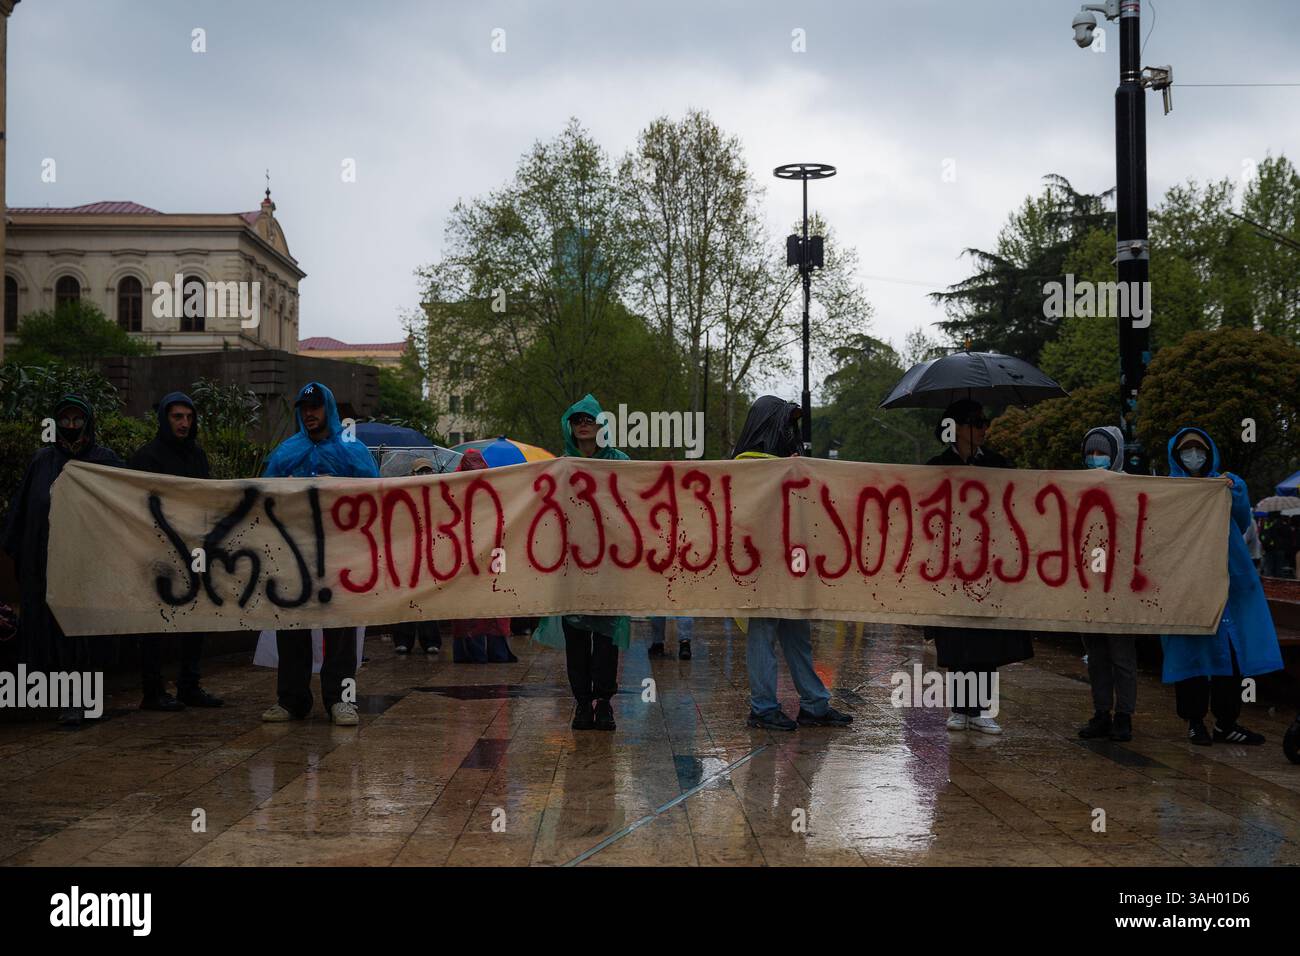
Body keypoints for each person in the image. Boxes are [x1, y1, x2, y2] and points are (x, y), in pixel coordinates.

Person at [260, 382, 379, 726]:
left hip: (340, 554)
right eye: (304, 408)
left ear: (328, 408)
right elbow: (265, 497)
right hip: (294, 555)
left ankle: (341, 701)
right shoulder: (285, 453)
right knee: (292, 625)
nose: (309, 414)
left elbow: (373, 495)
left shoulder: (352, 450)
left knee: (340, 630)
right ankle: (291, 700)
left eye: (315, 407)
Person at [731, 395, 853, 732]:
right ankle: (763, 707)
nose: (791, 430)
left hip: (791, 564)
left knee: (798, 635)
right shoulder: (746, 465)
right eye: (787, 423)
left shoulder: (789, 463)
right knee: (763, 634)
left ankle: (814, 704)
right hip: (761, 567)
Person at [1, 395, 122, 725]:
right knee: (47, 629)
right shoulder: (42, 460)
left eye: (77, 420)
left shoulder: (103, 460)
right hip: (44, 565)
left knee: (81, 633)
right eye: (65, 420)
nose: (71, 427)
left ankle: (81, 701)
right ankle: (49, 696)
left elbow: (124, 507)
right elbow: (23, 511)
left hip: (87, 566)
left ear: (88, 422)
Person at [1160, 427, 1282, 746]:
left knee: (1232, 653)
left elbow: (1241, 521)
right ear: (1176, 455)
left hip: (1228, 583)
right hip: (1187, 587)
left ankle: (1227, 722)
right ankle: (1195, 721)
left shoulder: (1227, 485)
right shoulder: (1169, 490)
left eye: (1200, 449)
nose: (1194, 456)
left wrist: (1235, 492)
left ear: (1210, 452)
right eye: (1186, 450)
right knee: (1191, 654)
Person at [925, 398, 1032, 735]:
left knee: (986, 638)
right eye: (977, 423)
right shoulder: (936, 467)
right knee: (957, 639)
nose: (984, 429)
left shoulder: (999, 465)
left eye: (985, 422)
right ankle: (959, 708)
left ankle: (981, 707)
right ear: (955, 428)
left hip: (989, 566)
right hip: (950, 567)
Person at [533, 394, 630, 731]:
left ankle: (604, 702)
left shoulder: (620, 463)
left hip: (610, 567)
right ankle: (582, 703)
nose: (584, 424)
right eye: (578, 420)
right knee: (576, 638)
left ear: (601, 423)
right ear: (570, 427)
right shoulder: (561, 468)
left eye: (590, 419)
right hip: (572, 567)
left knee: (606, 637)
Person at [127, 391, 224, 711]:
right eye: (177, 417)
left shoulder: (197, 455)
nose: (184, 423)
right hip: (158, 552)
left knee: (196, 619)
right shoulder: (147, 457)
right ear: (164, 419)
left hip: (194, 549)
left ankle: (189, 685)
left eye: (188, 417)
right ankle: (152, 690)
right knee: (155, 623)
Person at [1074, 426, 1137, 743]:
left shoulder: (1129, 488)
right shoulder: (1078, 489)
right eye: (1091, 453)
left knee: (1121, 655)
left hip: (1120, 586)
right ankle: (1102, 712)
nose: (1095, 458)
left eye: (1101, 453)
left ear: (1115, 455)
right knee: (1096, 655)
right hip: (1089, 585)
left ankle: (1124, 715)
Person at [448, 450, 516, 663]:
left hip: (485, 554)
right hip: (474, 555)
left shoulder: (456, 489)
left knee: (487, 604)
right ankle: (491, 651)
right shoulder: (490, 489)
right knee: (480, 604)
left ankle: (480, 652)